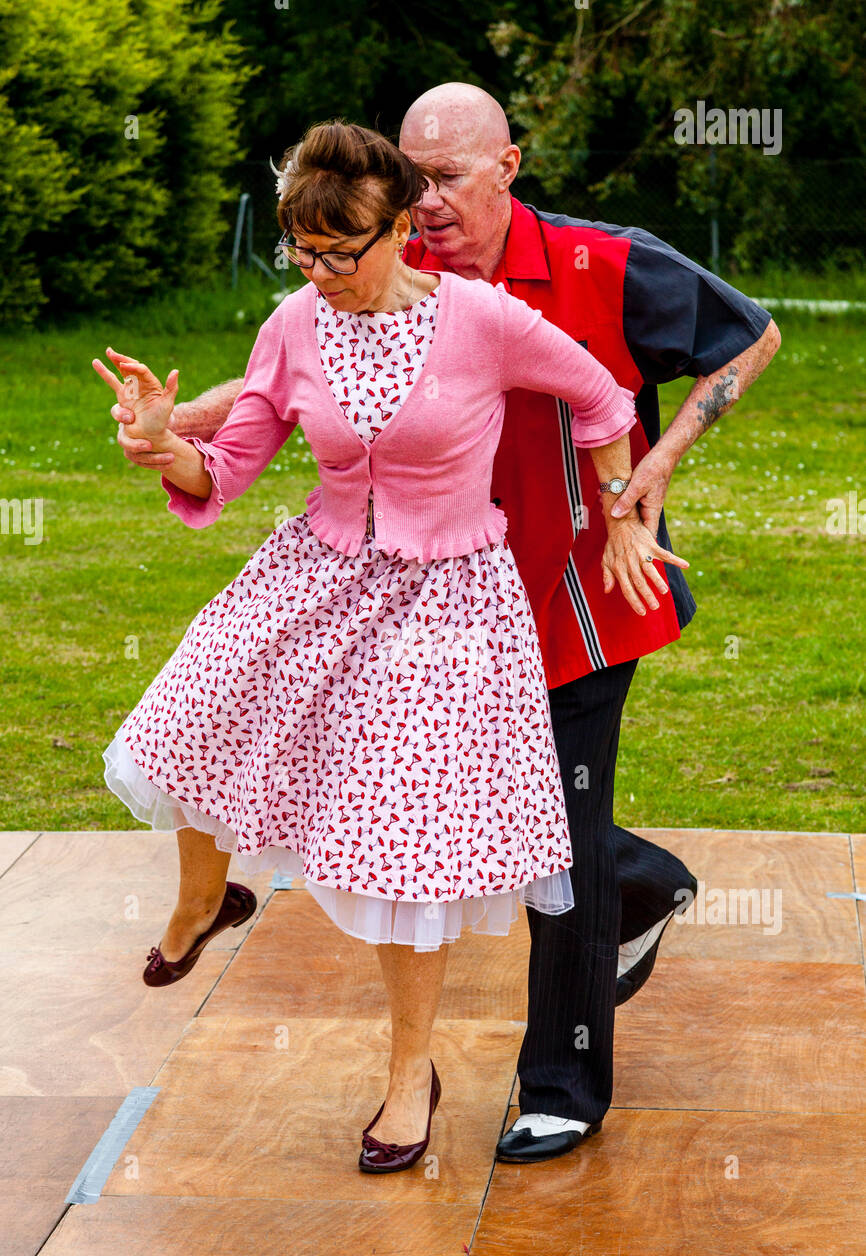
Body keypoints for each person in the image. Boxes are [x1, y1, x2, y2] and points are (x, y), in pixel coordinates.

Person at [110, 84, 780, 1166]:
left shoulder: (581, 272)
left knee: (526, 838)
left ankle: (544, 1085)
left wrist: (641, 486)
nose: (427, 204)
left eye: (446, 180)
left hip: (549, 594)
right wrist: (167, 430)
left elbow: (717, 350)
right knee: (391, 790)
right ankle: (638, 884)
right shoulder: (342, 295)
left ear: (505, 166)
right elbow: (282, 390)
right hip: (358, 582)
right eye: (410, 181)